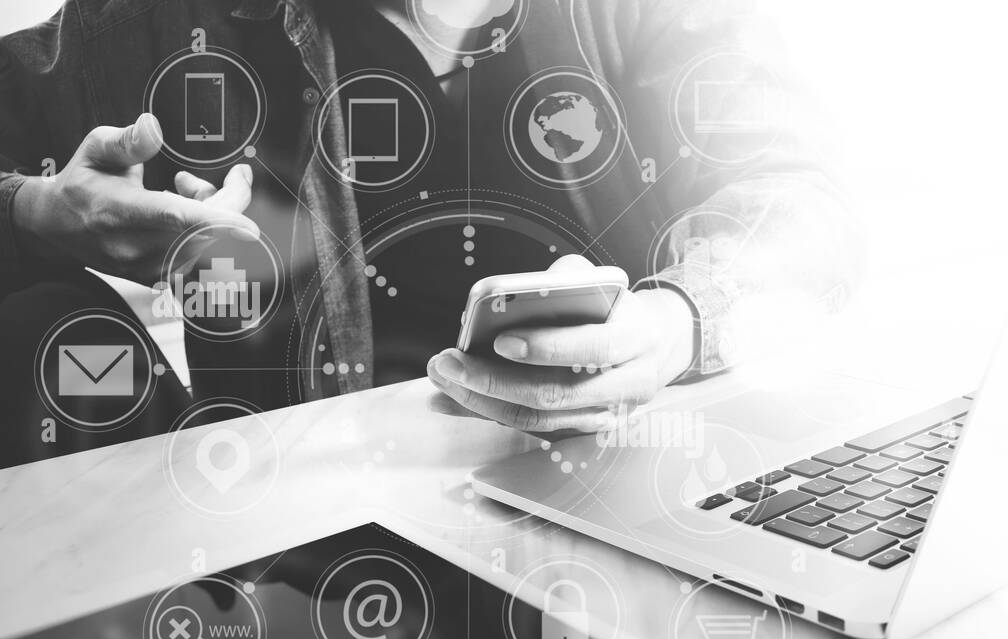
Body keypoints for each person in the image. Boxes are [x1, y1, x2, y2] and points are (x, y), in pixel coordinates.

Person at [0, 0, 859, 468]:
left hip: (636, 510)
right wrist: (38, 210)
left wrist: (677, 321)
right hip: (326, 570)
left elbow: (801, 200)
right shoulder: (163, 21)